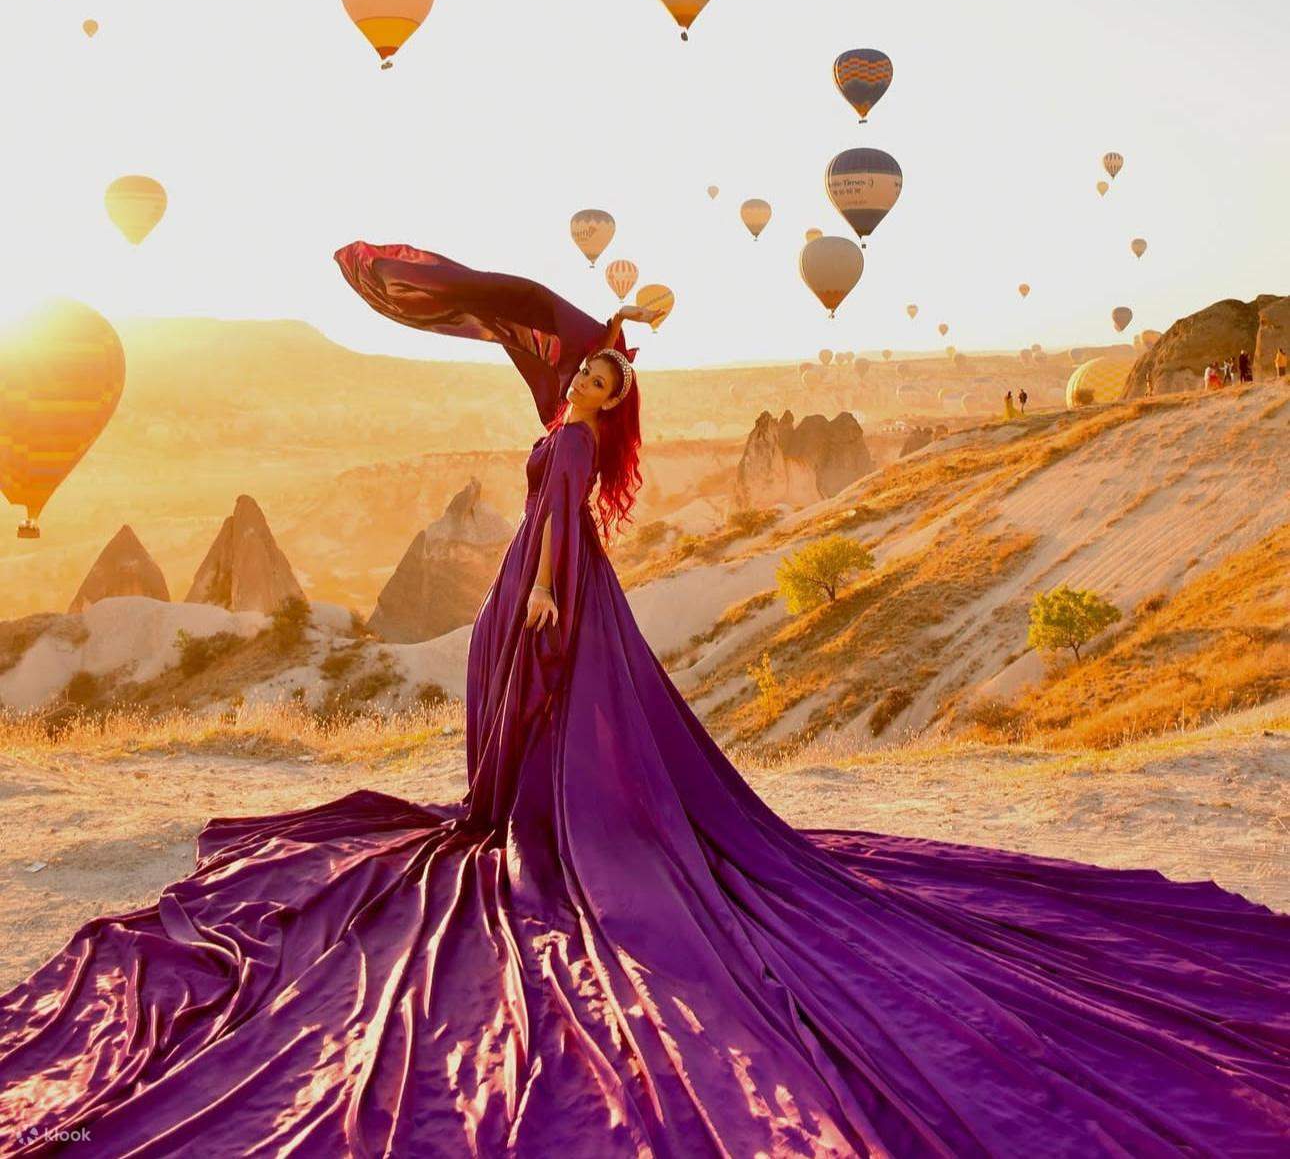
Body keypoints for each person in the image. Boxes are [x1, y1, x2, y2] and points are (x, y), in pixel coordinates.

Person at [2, 243, 1288, 1157]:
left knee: (557, 722)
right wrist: (457, 296)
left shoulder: (567, 443)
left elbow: (559, 515)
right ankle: (537, 808)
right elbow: (542, 341)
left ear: (615, 398)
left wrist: (551, 595)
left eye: (614, 384)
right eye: (598, 376)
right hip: (549, 583)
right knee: (558, 728)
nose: (600, 389)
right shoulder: (564, 403)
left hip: (551, 588)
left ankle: (551, 819)